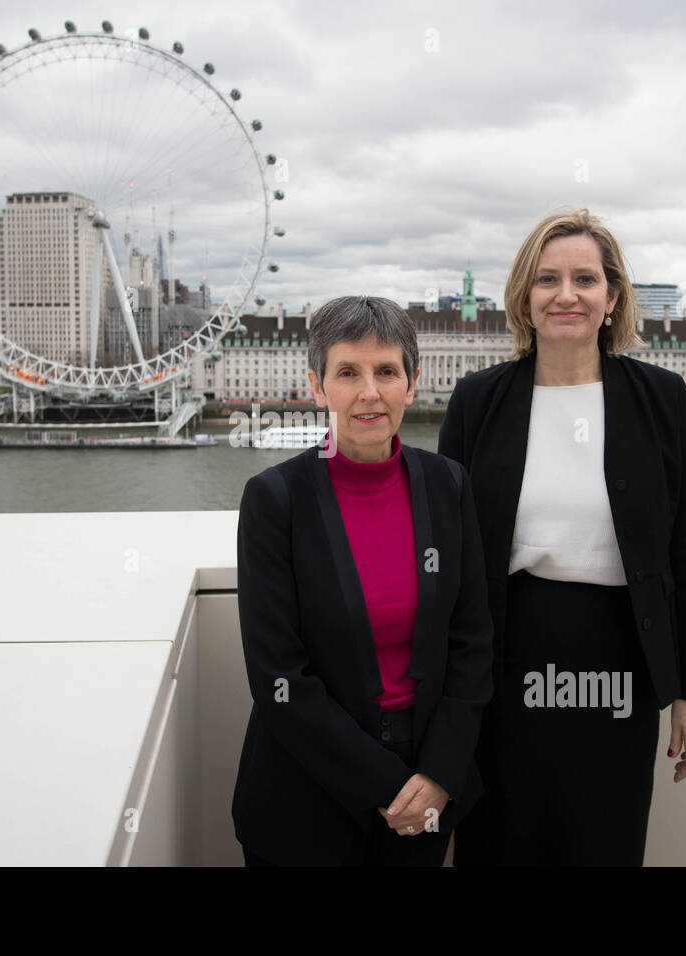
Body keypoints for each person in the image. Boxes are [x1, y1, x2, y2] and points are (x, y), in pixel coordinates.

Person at [440, 208, 686, 866]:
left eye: (584, 279)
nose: (566, 294)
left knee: (604, 841)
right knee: (499, 842)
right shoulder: (478, 402)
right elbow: (448, 560)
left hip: (621, 663)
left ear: (612, 297)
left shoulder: (662, 399)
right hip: (503, 667)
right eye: (547, 280)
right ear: (524, 296)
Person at [232, 295, 493, 866]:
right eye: (348, 372)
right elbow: (278, 676)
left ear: (412, 382)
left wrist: (440, 774)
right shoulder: (275, 500)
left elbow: (472, 640)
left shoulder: (448, 486)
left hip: (426, 786)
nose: (369, 392)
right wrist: (388, 787)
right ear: (317, 387)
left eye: (386, 372)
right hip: (304, 790)